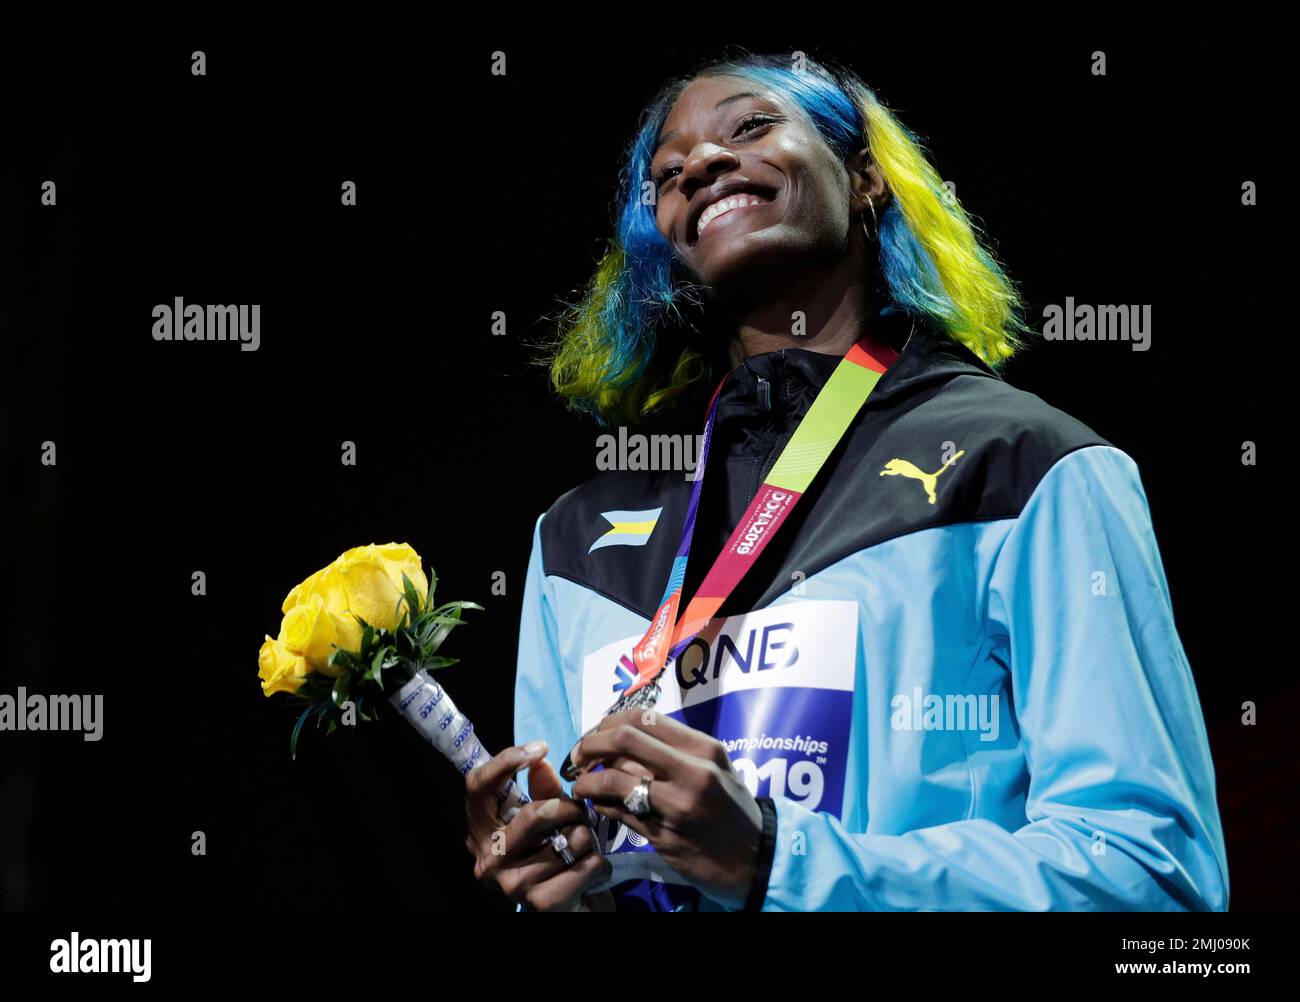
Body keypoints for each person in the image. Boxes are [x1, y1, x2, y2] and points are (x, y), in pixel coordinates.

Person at [463, 51, 1230, 912]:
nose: (704, 166)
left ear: (864, 177)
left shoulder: (1025, 464)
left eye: (751, 128)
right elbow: (586, 871)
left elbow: (1153, 875)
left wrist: (776, 863)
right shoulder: (576, 537)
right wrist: (559, 887)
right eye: (669, 174)